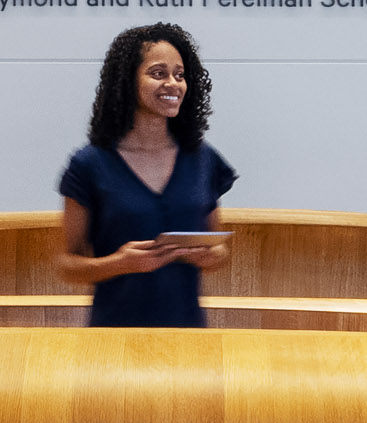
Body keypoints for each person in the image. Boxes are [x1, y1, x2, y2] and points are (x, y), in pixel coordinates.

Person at [51, 20, 233, 327]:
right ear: (127, 81)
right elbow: (66, 265)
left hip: (189, 338)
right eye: (158, 73)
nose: (173, 84)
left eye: (180, 74)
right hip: (113, 340)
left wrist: (210, 255)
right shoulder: (89, 164)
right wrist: (119, 264)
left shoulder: (203, 159)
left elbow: (219, 249)